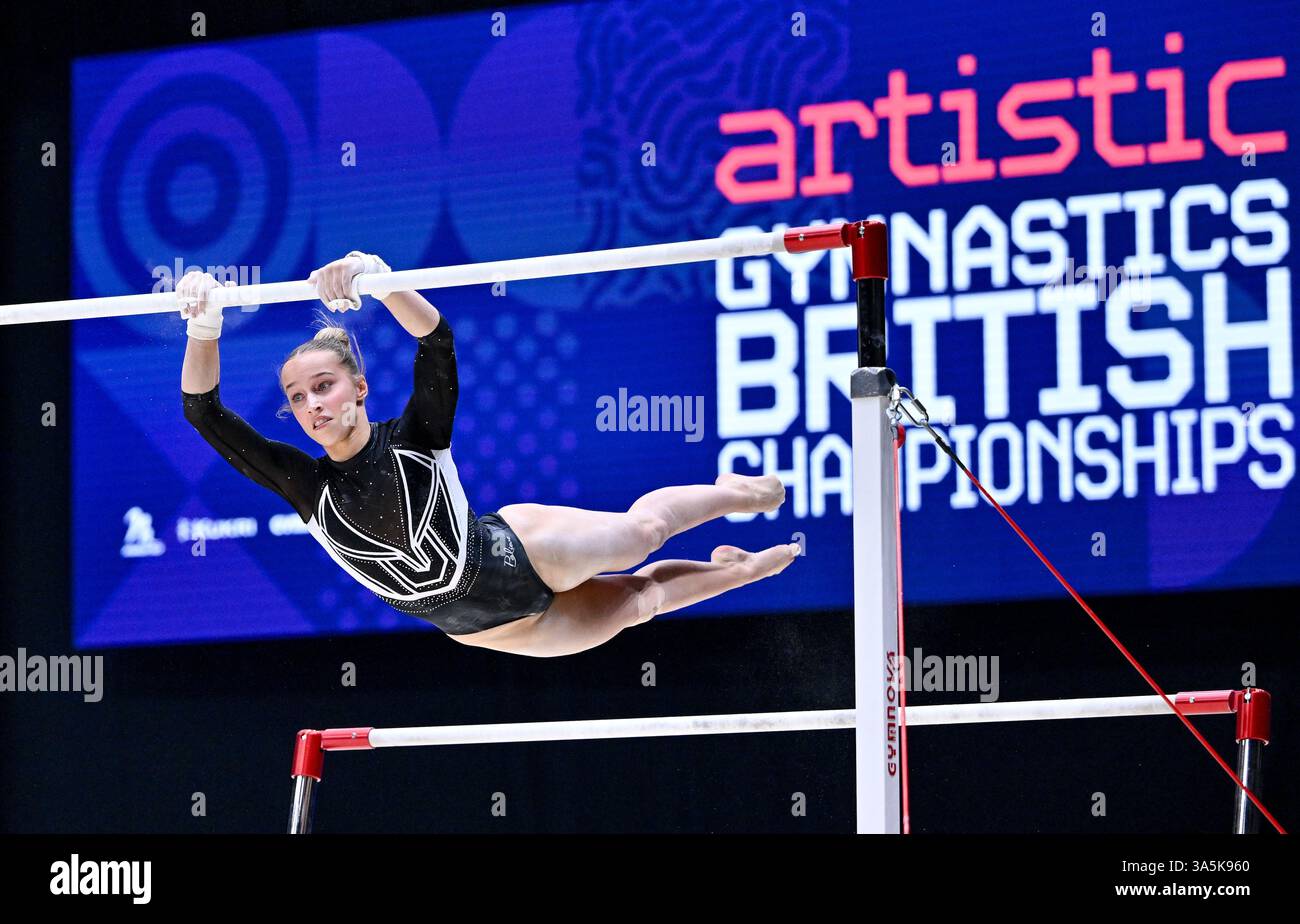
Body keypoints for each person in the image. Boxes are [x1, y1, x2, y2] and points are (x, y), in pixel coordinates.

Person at [179, 251, 799, 657]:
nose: (313, 404)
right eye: (298, 397)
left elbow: (435, 337)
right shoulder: (304, 487)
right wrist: (202, 324)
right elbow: (203, 410)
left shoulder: (414, 438)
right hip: (489, 629)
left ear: (359, 388)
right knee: (641, 602)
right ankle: (747, 570)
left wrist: (378, 275)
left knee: (644, 533)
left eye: (324, 386)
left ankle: (742, 493)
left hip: (520, 553)